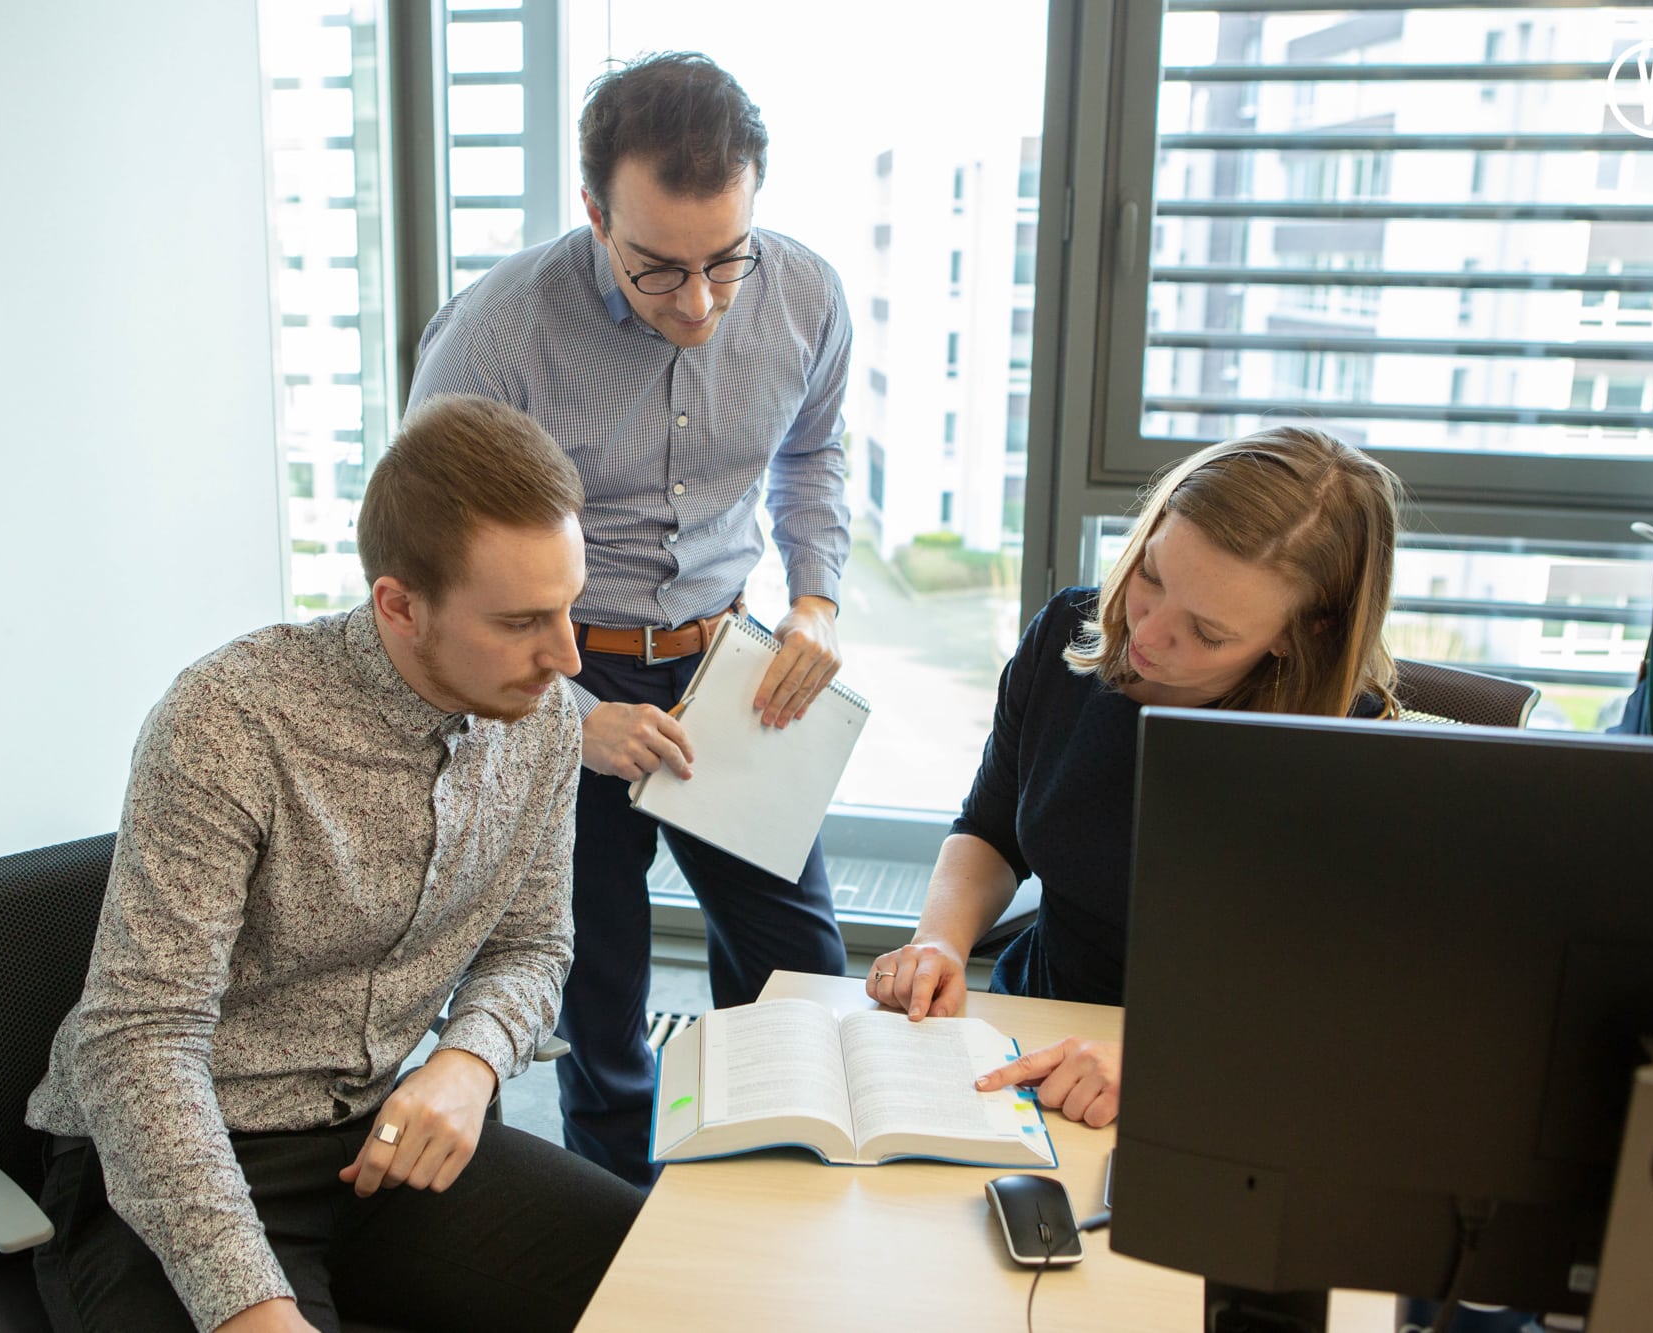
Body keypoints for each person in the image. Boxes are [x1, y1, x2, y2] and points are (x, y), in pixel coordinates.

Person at [24, 395, 643, 1333]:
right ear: (399, 604)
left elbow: (532, 945)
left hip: (380, 1142)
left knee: (673, 1284)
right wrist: (253, 1306)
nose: (564, 656)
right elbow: (138, 1040)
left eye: (569, 608)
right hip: (181, 1158)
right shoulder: (230, 721)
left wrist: (467, 1063)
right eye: (522, 621)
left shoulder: (544, 720)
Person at [407, 51, 853, 1187]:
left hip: (732, 675)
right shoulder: (494, 339)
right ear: (596, 215)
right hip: (558, 678)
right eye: (659, 270)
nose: (698, 305)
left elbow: (812, 455)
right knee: (596, 1016)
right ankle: (614, 1262)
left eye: (724, 262)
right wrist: (568, 720)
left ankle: (771, 1236)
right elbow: (438, 574)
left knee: (800, 983)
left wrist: (816, 597)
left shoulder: (806, 295)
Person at [867, 426, 1401, 1131]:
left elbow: (1340, 1015)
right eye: (1152, 575)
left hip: (1201, 1087)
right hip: (1030, 1026)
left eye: (1207, 632)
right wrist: (939, 941)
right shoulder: (1065, 633)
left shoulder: (1350, 758)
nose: (1145, 636)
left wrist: (1153, 1059)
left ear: (1301, 634)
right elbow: (992, 830)